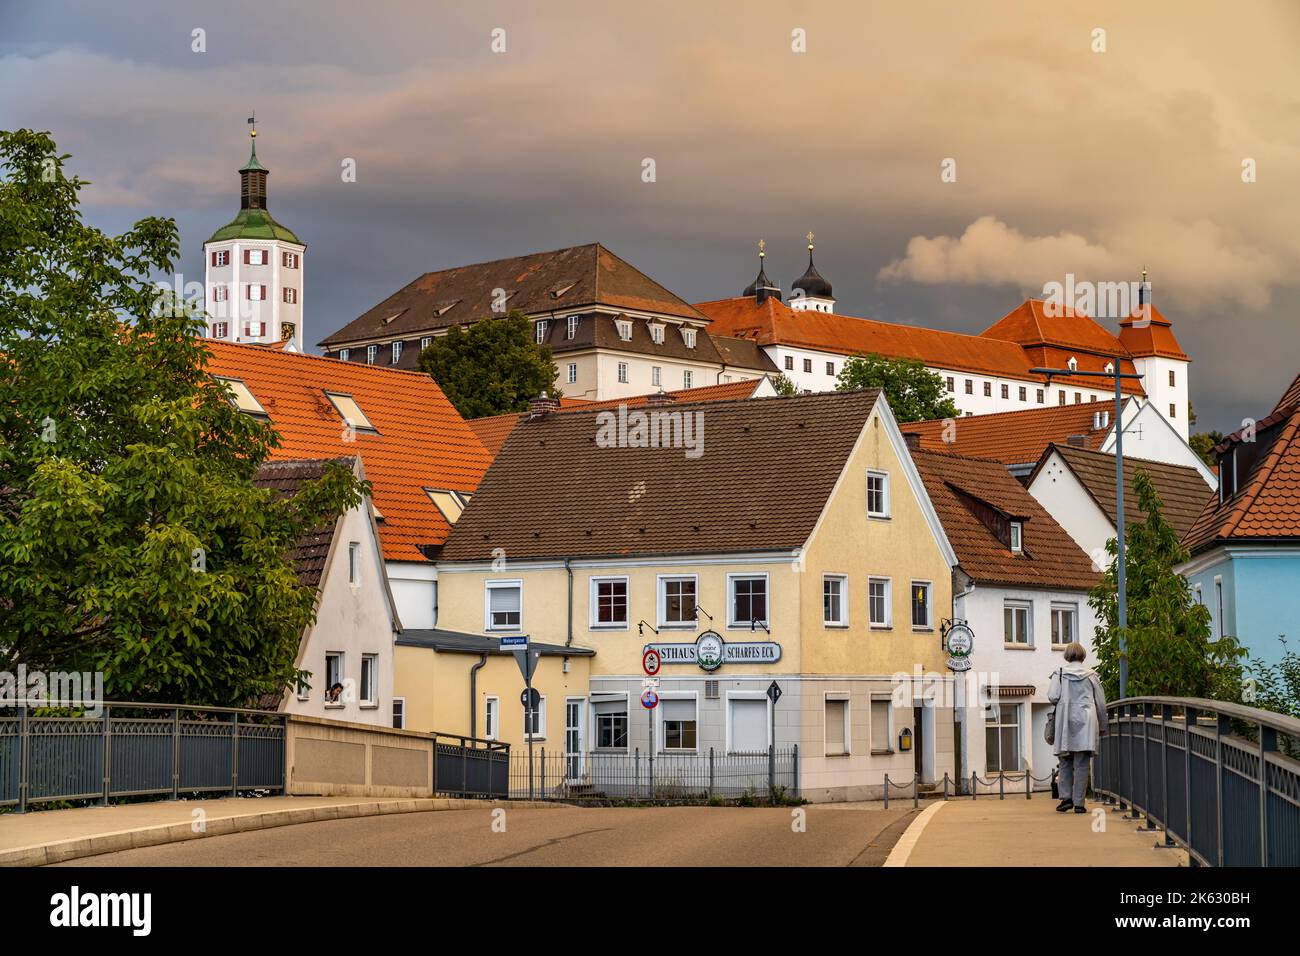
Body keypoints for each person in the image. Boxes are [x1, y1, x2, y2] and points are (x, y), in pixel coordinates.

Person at [1047, 642, 1107, 813]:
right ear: (1083, 656)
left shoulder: (1059, 674)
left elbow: (1052, 697)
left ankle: (1066, 798)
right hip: (1086, 722)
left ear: (1067, 655)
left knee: (1065, 760)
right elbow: (1101, 704)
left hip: (1066, 720)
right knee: (1082, 762)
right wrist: (1103, 725)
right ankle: (1079, 803)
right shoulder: (1092, 676)